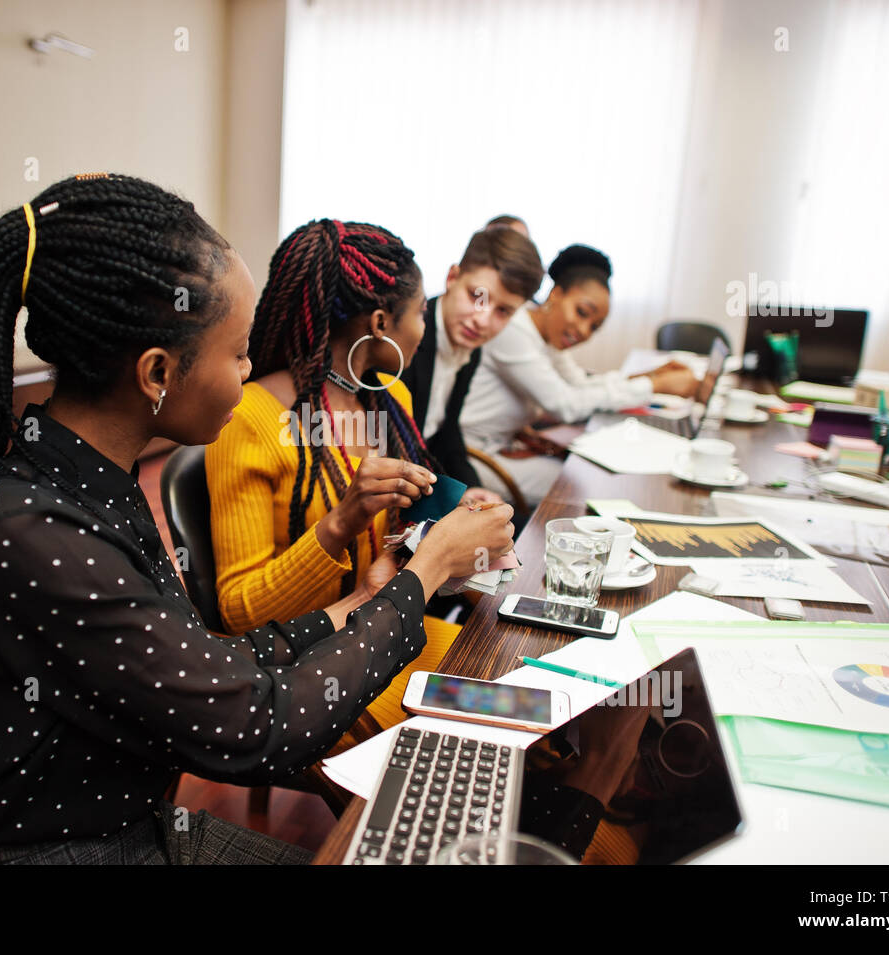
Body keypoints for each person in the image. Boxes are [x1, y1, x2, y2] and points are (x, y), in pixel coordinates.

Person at [0, 175, 515, 864]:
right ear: (158, 372)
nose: (252, 372)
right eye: (240, 351)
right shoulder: (32, 532)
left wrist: (366, 600)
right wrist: (422, 577)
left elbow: (207, 660)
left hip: (136, 823)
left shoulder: (90, 483)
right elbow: (258, 724)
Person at [205, 219, 501, 736]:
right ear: (383, 322)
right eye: (423, 313)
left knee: (523, 704)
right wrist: (342, 520)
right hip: (313, 668)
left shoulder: (391, 401)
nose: (425, 329)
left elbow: (395, 542)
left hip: (389, 628)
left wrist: (452, 519)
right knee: (488, 732)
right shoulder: (250, 422)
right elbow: (239, 618)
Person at [461, 244, 699, 503]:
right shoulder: (514, 329)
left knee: (591, 474)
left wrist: (650, 376)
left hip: (506, 447)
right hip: (475, 457)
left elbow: (581, 384)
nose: (585, 331)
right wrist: (653, 385)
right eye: (582, 313)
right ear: (556, 294)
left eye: (594, 327)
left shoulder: (547, 338)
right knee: (584, 485)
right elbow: (566, 405)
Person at [400, 225, 544, 489]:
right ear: (452, 277)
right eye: (477, 296)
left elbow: (447, 430)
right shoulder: (407, 337)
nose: (482, 320)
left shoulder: (472, 349)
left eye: (503, 311)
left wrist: (473, 489)